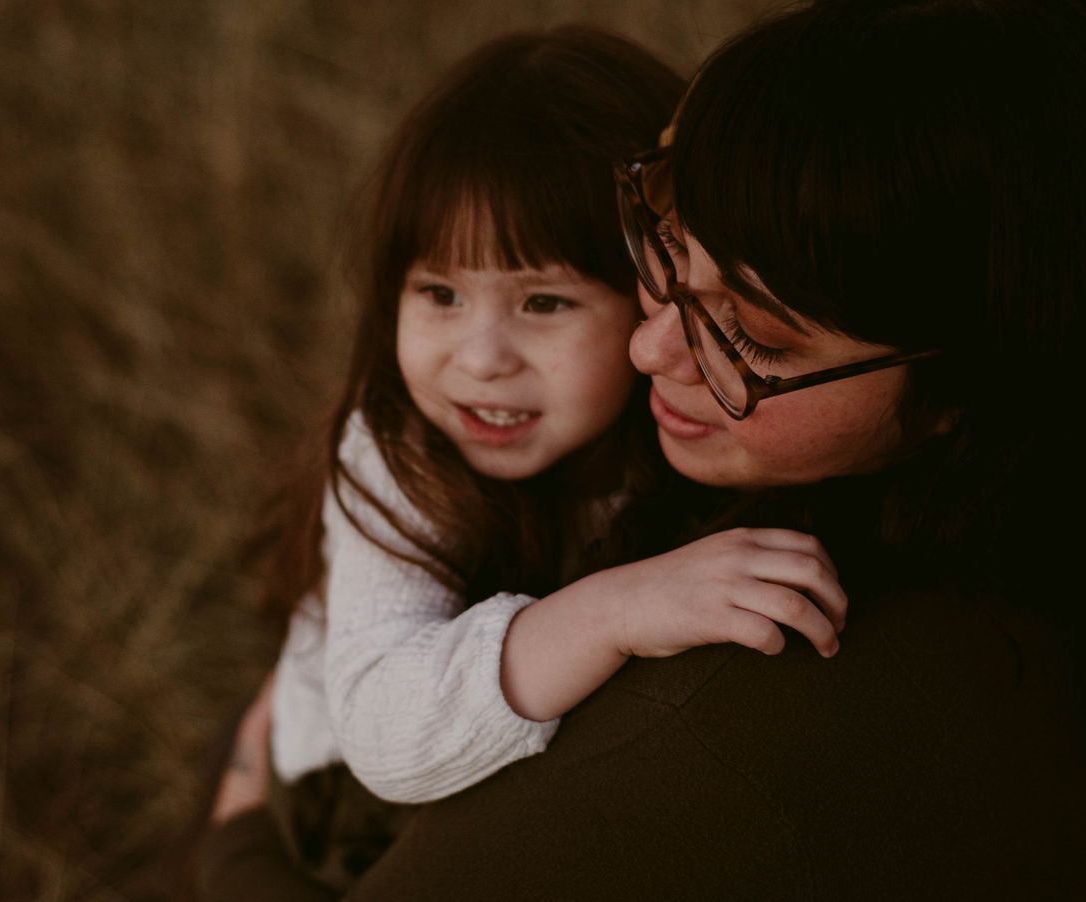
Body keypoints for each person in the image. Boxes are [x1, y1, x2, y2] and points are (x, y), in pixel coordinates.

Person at [198, 0, 1086, 897]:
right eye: (666, 251)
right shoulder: (1052, 564)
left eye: (756, 335)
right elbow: (381, 729)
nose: (652, 348)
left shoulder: (717, 743)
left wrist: (234, 839)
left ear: (969, 390)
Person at [200, 26, 852, 894]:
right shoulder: (396, 452)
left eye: (543, 301)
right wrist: (615, 612)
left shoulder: (678, 434)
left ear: (655, 290)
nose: (480, 358)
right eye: (439, 294)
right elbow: (387, 738)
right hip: (342, 819)